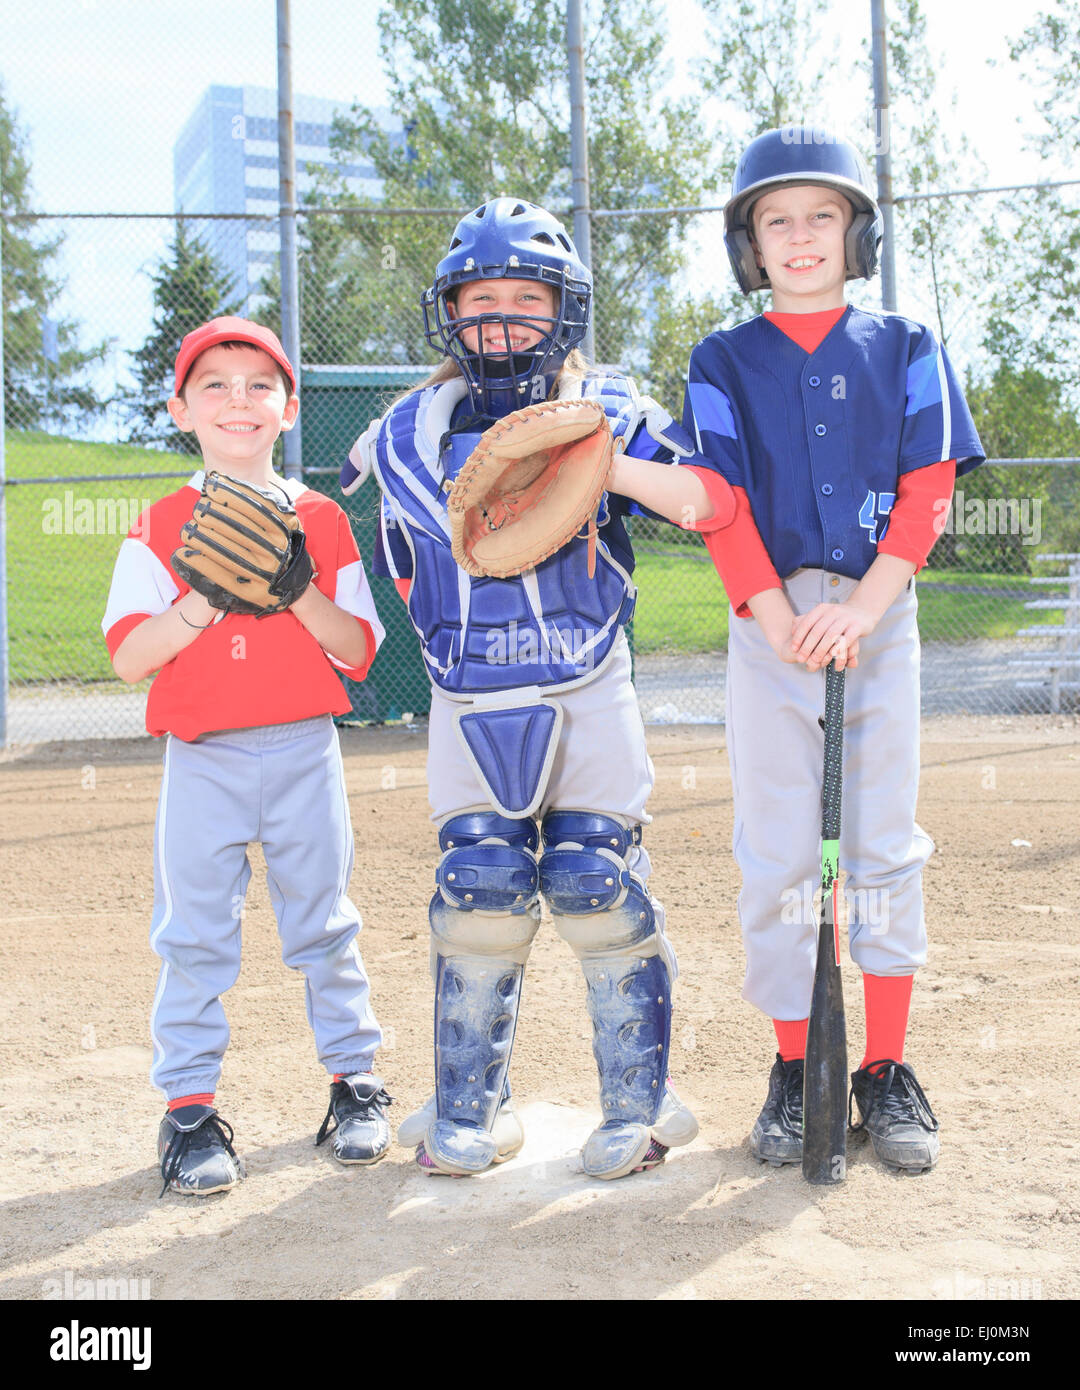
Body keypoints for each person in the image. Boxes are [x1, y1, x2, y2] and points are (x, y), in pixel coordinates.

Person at [340, 197, 737, 1180]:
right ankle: (472, 1105)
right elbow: (405, 571)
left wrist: (601, 453)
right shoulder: (404, 438)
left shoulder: (606, 405)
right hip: (468, 698)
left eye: (528, 296)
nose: (504, 317)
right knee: (478, 888)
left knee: (593, 881)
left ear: (564, 311)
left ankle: (641, 1104)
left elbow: (708, 501)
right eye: (483, 297)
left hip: (585, 686)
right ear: (448, 312)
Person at [684, 129, 985, 1173]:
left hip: (879, 610)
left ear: (857, 233)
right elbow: (719, 503)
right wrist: (776, 619)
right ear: (749, 244)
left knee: (881, 842)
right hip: (766, 621)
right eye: (778, 219)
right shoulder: (722, 358)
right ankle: (797, 1064)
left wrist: (863, 606)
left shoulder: (904, 344)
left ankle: (884, 1067)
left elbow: (929, 490)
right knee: (778, 851)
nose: (801, 236)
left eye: (822, 216)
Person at [102, 317, 392, 1196]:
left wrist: (296, 588)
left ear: (289, 407)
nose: (238, 400)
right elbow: (129, 657)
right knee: (193, 934)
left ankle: (354, 1082)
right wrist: (203, 600)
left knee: (326, 923)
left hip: (305, 749)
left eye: (258, 383)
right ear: (180, 410)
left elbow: (358, 649)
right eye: (214, 385)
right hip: (202, 758)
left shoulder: (321, 519)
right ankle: (188, 1111)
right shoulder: (159, 524)